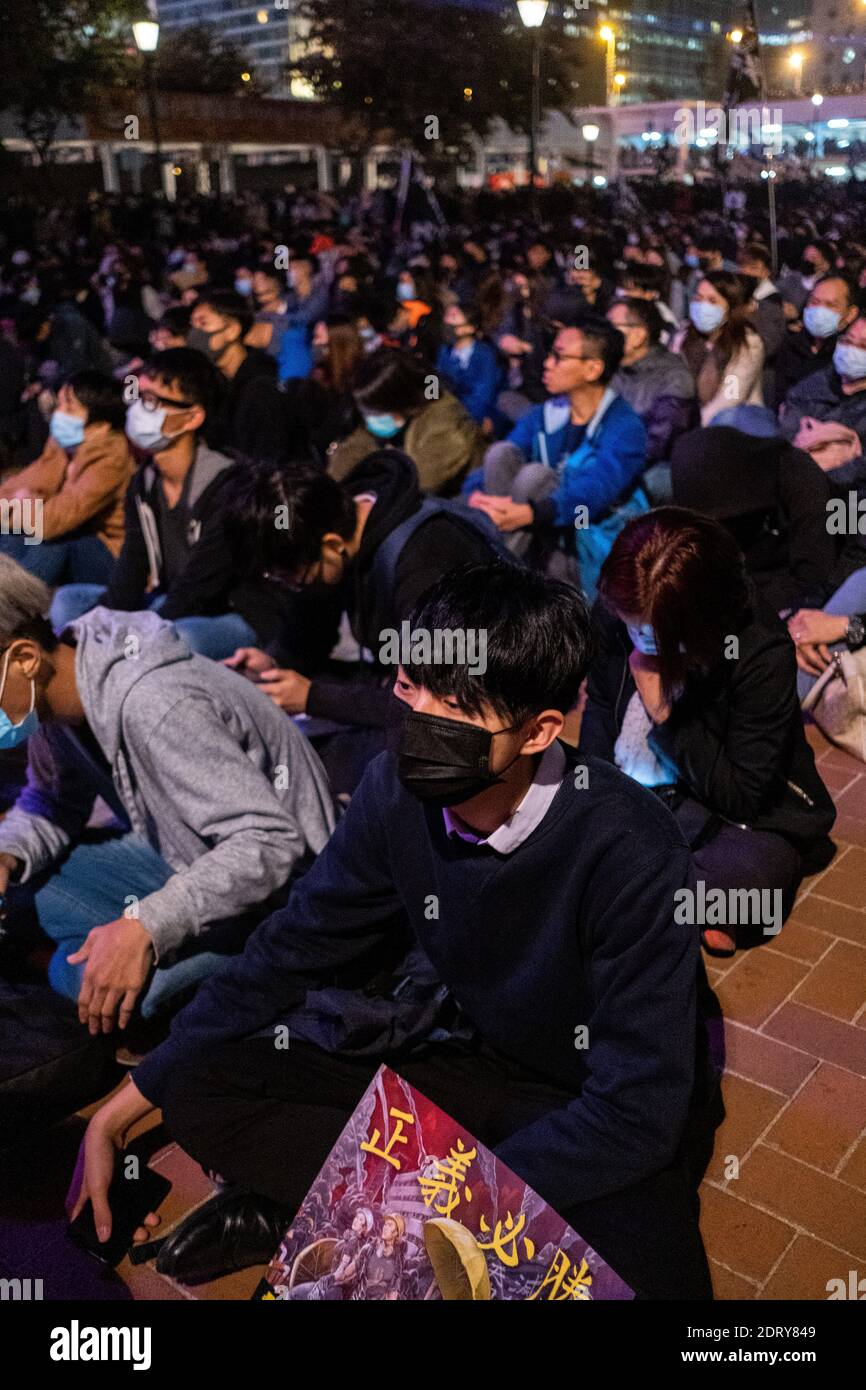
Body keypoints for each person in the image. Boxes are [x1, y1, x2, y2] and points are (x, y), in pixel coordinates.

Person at [68, 562, 717, 1300]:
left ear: (539, 729)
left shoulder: (631, 849)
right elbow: (296, 944)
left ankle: (328, 1209)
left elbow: (637, 1109)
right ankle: (325, 1208)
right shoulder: (394, 790)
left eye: (456, 709)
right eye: (411, 688)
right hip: (465, 1064)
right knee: (198, 1078)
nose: (419, 722)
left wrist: (431, 1211)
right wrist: (127, 1102)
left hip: (578, 1103)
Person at [0, 556, 335, 1025]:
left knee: (120, 991)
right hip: (185, 856)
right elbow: (52, 802)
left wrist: (147, 924)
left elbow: (271, 842)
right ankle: (88, 953)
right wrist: (7, 855)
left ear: (25, 659)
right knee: (16, 896)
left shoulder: (154, 704)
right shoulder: (55, 695)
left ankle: (94, 961)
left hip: (283, 902)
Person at [580, 508, 835, 958]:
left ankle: (663, 892)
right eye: (629, 622)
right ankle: (668, 895)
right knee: (568, 809)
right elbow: (601, 706)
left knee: (752, 878)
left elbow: (742, 793)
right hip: (647, 791)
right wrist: (593, 795)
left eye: (652, 633)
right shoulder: (618, 608)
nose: (636, 638)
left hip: (732, 810)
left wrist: (661, 711)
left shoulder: (757, 650)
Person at [223, 451, 502, 795]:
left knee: (338, 770)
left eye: (296, 578)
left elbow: (433, 697)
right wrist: (274, 664)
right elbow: (311, 625)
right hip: (405, 679)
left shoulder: (425, 559)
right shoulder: (331, 530)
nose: (297, 588)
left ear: (332, 545)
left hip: (475, 696)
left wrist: (313, 698)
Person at [49, 349, 282, 660]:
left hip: (233, 612)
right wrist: (88, 628)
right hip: (171, 598)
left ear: (192, 417)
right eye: (138, 397)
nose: (137, 410)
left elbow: (200, 588)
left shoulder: (231, 485)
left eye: (152, 401)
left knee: (177, 636)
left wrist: (130, 629)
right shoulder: (144, 483)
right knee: (69, 603)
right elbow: (131, 569)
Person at [468, 316, 647, 596]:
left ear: (592, 369)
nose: (547, 363)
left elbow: (594, 491)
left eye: (559, 357)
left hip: (586, 542)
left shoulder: (624, 426)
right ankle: (500, 577)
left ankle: (493, 580)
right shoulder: (547, 413)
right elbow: (508, 450)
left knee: (534, 477)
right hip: (536, 530)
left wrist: (535, 512)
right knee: (500, 453)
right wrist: (475, 494)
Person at [670, 406, 836, 615]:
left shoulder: (803, 483)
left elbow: (812, 579)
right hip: (749, 582)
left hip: (810, 584)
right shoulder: (702, 498)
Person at [0, 372, 133, 586]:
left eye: (69, 408)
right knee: (11, 531)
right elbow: (17, 488)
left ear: (100, 426)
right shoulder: (64, 443)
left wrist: (21, 506)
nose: (58, 413)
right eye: (59, 403)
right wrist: (19, 506)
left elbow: (53, 523)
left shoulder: (111, 458)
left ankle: (16, 601)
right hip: (67, 530)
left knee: (52, 541)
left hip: (107, 552)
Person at [327, 347, 483, 496]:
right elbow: (356, 449)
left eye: (375, 412)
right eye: (366, 412)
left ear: (401, 400)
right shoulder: (388, 420)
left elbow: (419, 485)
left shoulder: (444, 421)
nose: (370, 419)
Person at [187, 289, 289, 465]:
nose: (195, 334)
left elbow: (267, 461)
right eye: (193, 326)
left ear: (232, 330)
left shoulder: (261, 390)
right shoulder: (212, 385)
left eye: (203, 324)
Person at [607, 297, 696, 468]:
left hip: (651, 469)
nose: (603, 335)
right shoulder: (611, 369)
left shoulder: (673, 377)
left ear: (638, 336)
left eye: (612, 327)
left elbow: (658, 443)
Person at [672, 271, 765, 425]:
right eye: (698, 299)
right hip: (687, 419)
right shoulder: (683, 335)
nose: (703, 306)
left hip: (735, 421)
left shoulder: (747, 343)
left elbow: (731, 397)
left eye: (712, 301)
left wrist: (694, 426)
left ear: (731, 307)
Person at [780, 313, 866, 458]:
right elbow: (788, 430)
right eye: (847, 341)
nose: (852, 350)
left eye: (863, 346)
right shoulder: (816, 381)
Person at [773, 274, 858, 406]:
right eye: (814, 302)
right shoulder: (790, 344)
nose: (819, 310)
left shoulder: (850, 356)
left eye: (830, 305)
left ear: (850, 314)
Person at [435, 303, 500, 429]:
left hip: (469, 419)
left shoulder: (484, 355)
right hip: (444, 413)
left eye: (453, 316)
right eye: (446, 316)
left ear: (470, 328)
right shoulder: (444, 350)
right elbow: (434, 381)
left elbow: (482, 397)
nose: (447, 322)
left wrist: (458, 416)